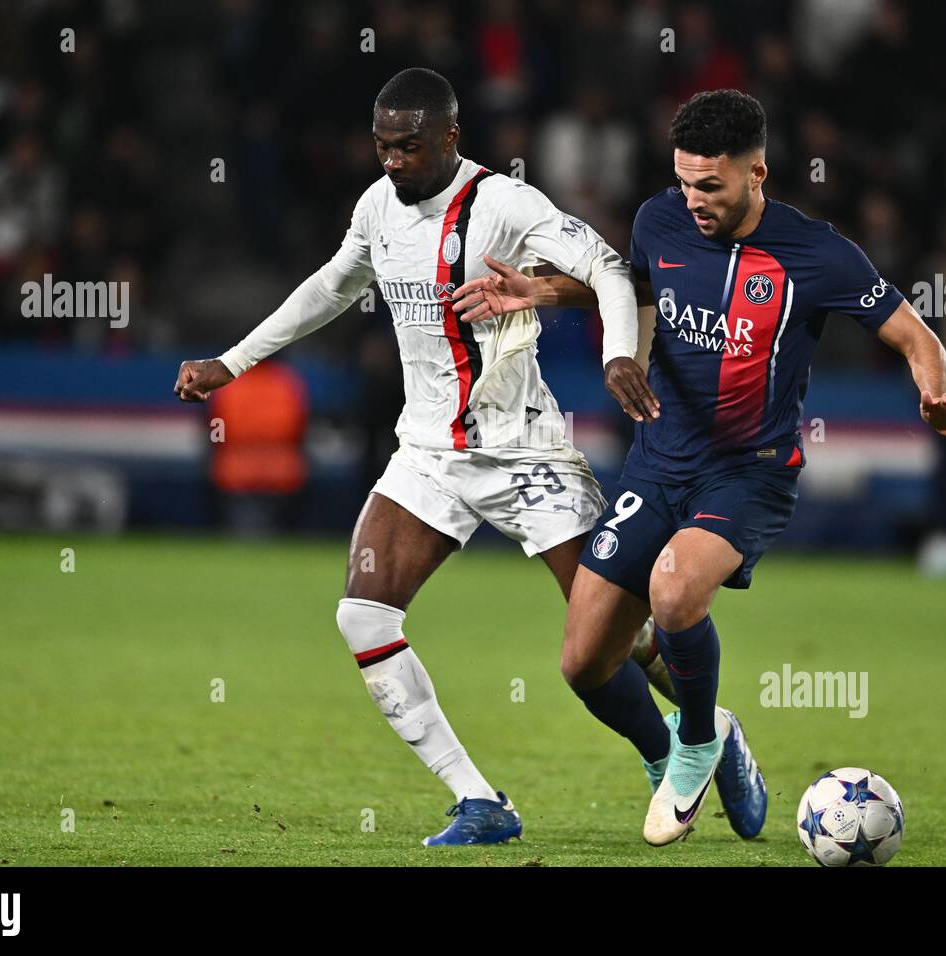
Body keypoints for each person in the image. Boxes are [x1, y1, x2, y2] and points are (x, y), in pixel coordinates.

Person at [452, 89, 946, 846]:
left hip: (749, 472)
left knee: (673, 590)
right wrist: (542, 291)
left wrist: (936, 396)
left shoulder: (817, 253)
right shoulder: (659, 219)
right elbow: (632, 289)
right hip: (658, 462)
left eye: (712, 185)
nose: (693, 200)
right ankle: (699, 742)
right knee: (584, 663)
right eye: (685, 180)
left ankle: (694, 744)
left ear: (757, 173)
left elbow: (914, 334)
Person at [172, 68, 676, 846]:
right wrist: (232, 362)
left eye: (410, 147)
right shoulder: (377, 207)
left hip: (523, 450)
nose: (394, 162)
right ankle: (482, 802)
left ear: (451, 136)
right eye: (382, 147)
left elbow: (609, 268)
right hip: (430, 451)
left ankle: (695, 741)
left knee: (613, 639)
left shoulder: (505, 203)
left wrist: (617, 355)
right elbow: (332, 285)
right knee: (362, 614)